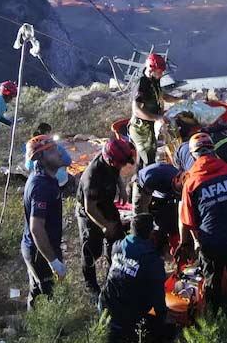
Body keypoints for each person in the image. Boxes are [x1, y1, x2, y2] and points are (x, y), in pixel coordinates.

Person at [179, 132, 227, 320]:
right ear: (213, 149)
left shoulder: (190, 183)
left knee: (213, 280)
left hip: (211, 242)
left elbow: (188, 220)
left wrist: (196, 241)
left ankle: (214, 319)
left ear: (192, 155)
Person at [76, 136, 135, 295]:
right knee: (91, 249)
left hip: (106, 202)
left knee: (115, 239)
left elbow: (116, 173)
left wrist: (121, 187)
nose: (122, 166)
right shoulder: (92, 176)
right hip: (90, 211)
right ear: (109, 160)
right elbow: (90, 208)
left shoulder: (114, 159)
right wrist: (104, 225)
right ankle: (91, 286)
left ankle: (114, 275)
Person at [99, 213, 168, 343]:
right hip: (128, 317)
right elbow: (159, 297)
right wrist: (162, 320)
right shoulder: (152, 261)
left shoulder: (117, 246)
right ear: (150, 233)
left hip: (106, 306)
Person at [21, 135, 68, 309]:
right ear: (41, 158)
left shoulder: (48, 179)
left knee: (37, 288)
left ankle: (32, 317)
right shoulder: (41, 186)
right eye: (52, 151)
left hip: (41, 248)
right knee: (51, 296)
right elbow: (36, 228)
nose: (59, 153)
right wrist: (53, 261)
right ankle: (54, 333)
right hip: (39, 252)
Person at [129, 53, 180, 200]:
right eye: (160, 71)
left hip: (149, 126)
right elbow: (137, 110)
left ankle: (141, 188)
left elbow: (161, 95)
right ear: (151, 69)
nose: (162, 74)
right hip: (141, 129)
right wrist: (157, 117)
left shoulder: (154, 80)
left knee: (144, 159)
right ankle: (144, 195)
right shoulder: (142, 83)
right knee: (148, 160)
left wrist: (178, 100)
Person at [135, 162, 183, 253]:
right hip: (143, 185)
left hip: (162, 192)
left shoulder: (181, 179)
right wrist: (148, 225)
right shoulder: (153, 179)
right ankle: (144, 249)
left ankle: (165, 242)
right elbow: (144, 206)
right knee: (140, 218)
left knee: (170, 215)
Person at [25, 123, 73, 189]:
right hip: (59, 181)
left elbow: (28, 167)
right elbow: (68, 161)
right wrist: (60, 164)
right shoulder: (54, 145)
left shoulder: (32, 147)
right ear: (48, 132)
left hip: (39, 180)